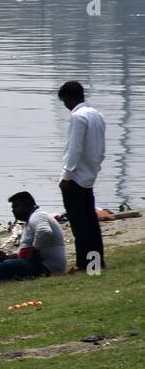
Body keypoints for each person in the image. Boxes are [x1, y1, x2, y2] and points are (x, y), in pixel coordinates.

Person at [57, 81, 107, 272]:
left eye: (64, 101)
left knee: (80, 224)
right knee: (91, 222)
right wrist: (95, 168)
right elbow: (101, 149)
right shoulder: (97, 115)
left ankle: (84, 263)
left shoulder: (78, 117)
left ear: (69, 99)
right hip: (90, 175)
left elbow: (74, 149)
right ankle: (96, 261)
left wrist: (66, 176)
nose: (65, 105)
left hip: (76, 177)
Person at [0, 191, 67, 281]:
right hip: (39, 264)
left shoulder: (38, 215)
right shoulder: (30, 219)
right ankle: (6, 282)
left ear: (28, 204)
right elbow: (27, 248)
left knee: (6, 266)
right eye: (12, 208)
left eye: (16, 206)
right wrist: (10, 257)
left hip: (49, 267)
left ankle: (3, 286)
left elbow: (45, 232)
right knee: (6, 263)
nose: (13, 211)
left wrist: (34, 251)